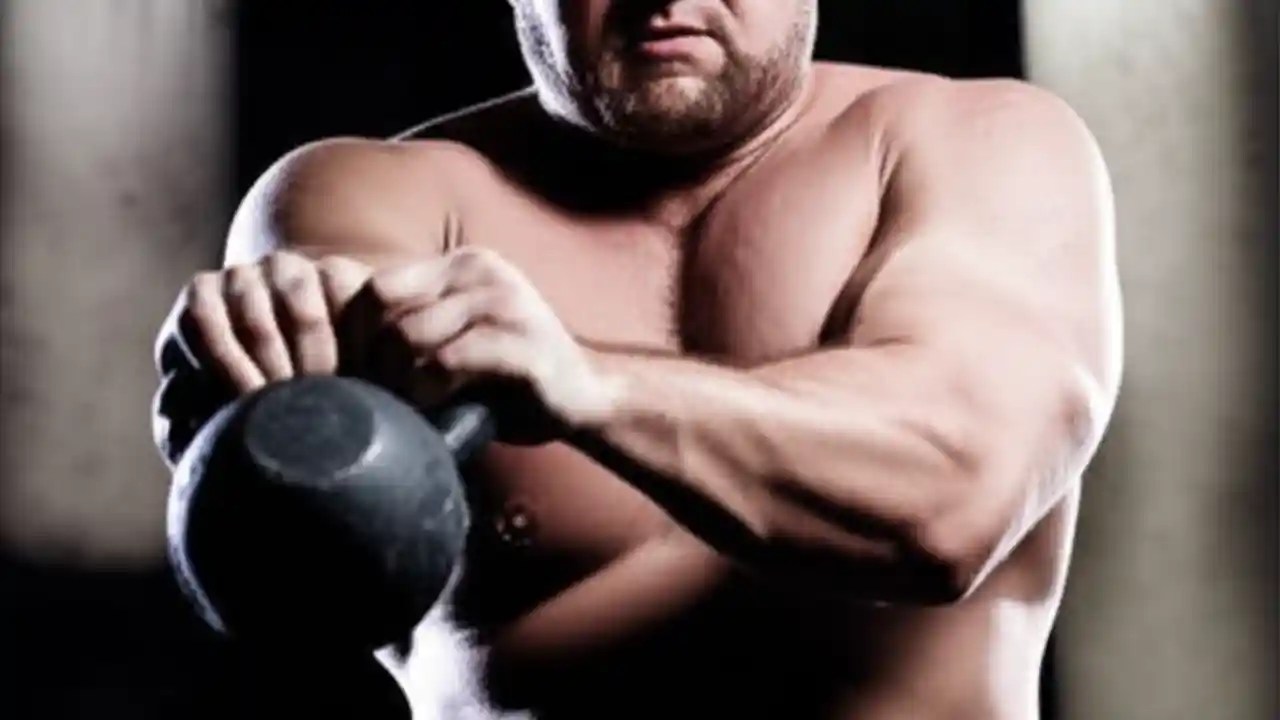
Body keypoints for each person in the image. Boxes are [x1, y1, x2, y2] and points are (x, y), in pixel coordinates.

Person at [151, 1, 1123, 718]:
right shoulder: (378, 200)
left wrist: (584, 383)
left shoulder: (975, 144)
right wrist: (258, 414)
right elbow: (293, 569)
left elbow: (949, 497)